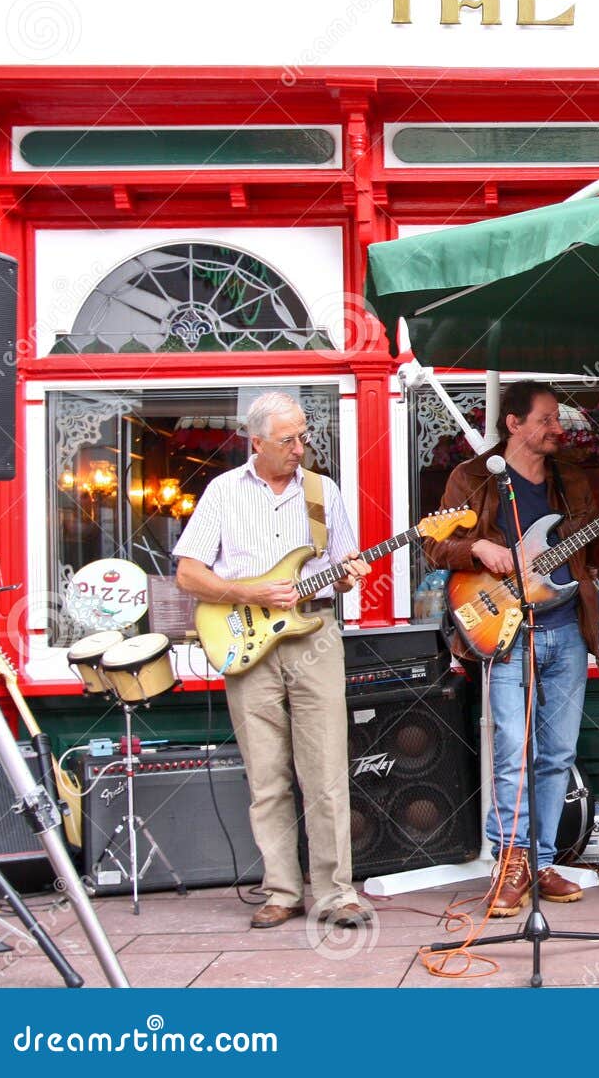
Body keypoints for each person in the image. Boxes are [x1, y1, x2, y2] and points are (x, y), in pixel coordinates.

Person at [425, 381, 599, 913]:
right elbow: (432, 544)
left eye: (558, 419)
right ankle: (510, 863)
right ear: (514, 424)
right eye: (546, 419)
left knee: (557, 754)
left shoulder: (572, 481)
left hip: (566, 630)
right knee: (513, 754)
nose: (557, 428)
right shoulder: (472, 477)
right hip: (504, 632)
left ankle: (541, 862)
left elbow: (586, 562)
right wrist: (475, 547)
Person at [173, 392, 372, 930]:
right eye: (288, 440)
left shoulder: (321, 490)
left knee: (328, 771)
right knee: (267, 776)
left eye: (303, 436)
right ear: (255, 442)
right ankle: (282, 890)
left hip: (316, 634)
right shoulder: (222, 491)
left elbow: (344, 564)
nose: (299, 447)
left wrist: (351, 572)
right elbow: (189, 574)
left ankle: (335, 894)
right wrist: (250, 594)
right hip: (247, 640)